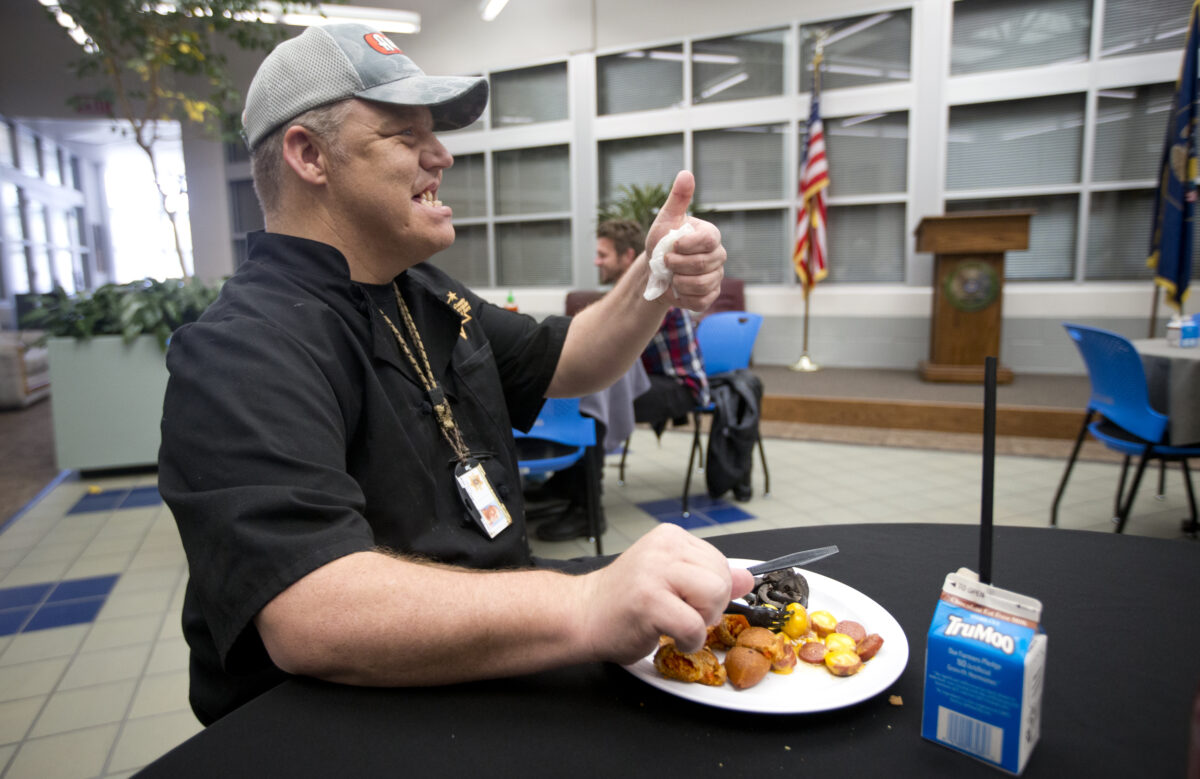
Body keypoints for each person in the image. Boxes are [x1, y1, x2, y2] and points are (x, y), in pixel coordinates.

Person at [157, 22, 752, 725]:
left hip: (485, 669)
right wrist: (587, 600)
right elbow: (313, 609)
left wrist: (654, 276)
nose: (440, 154)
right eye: (404, 135)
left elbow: (571, 359)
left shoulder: (421, 292)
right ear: (308, 154)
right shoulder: (242, 348)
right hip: (345, 726)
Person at [534, 219, 709, 542]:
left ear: (629, 257)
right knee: (588, 388)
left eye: (603, 254)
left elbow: (613, 351)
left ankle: (589, 512)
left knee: (593, 396)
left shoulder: (653, 292)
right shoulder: (629, 292)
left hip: (681, 387)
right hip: (651, 378)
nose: (596, 261)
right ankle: (567, 484)